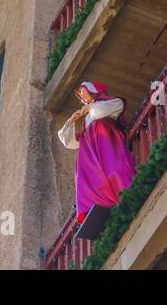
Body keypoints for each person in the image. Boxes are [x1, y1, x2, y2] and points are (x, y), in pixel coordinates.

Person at [57, 81, 136, 223]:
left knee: (116, 171)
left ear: (93, 89)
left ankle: (127, 195)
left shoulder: (109, 103)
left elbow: (116, 106)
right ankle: (97, 210)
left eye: (83, 91)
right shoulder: (87, 120)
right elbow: (70, 141)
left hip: (107, 145)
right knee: (90, 184)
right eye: (79, 94)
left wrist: (90, 108)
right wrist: (71, 121)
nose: (81, 95)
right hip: (89, 155)